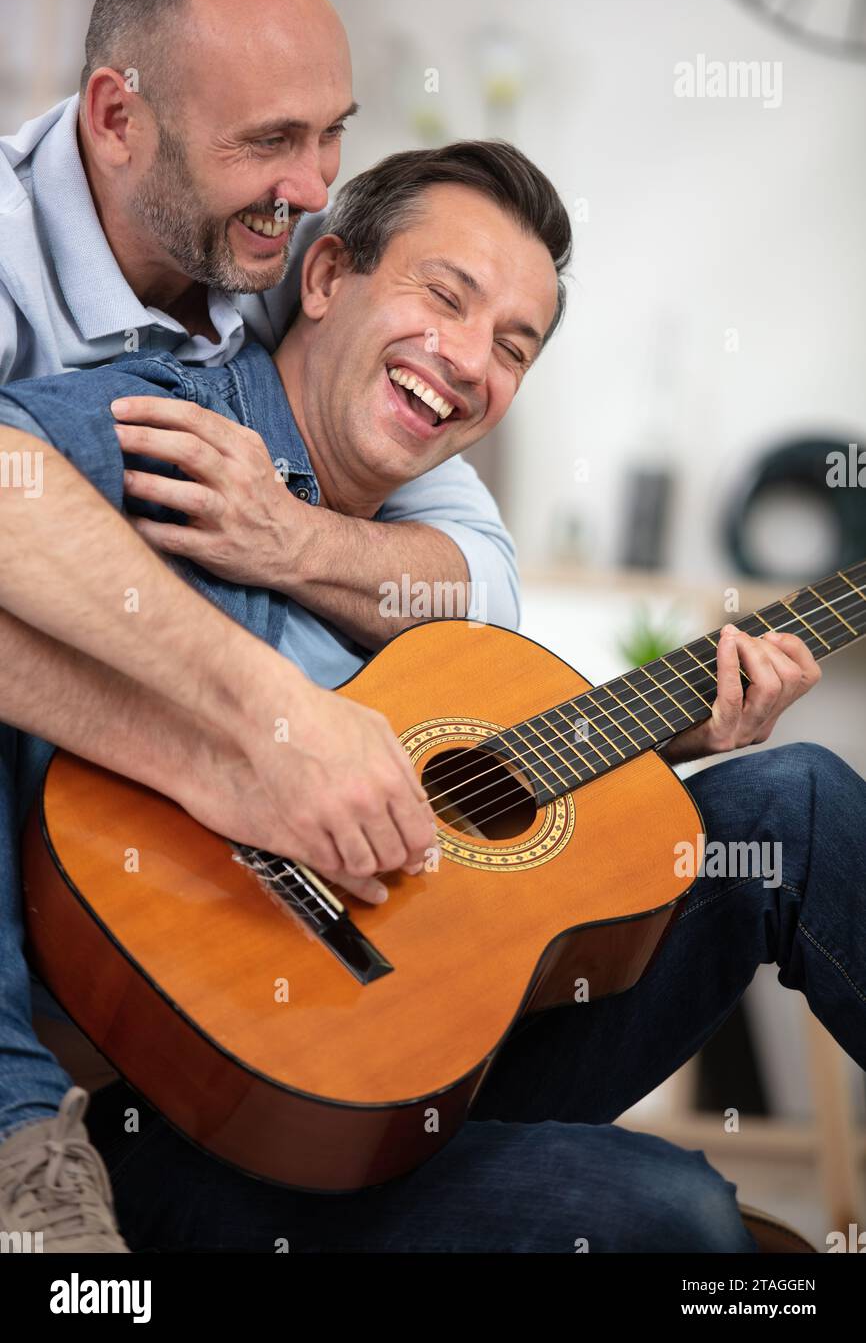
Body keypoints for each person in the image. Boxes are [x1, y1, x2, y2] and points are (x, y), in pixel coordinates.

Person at [2, 139, 862, 1254]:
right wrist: (261, 734)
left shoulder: (444, 538)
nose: (464, 359)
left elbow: (468, 839)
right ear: (323, 279)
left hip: (408, 1056)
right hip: (183, 1112)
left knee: (795, 798)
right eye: (442, 296)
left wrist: (673, 741)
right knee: (680, 1217)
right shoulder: (175, 425)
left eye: (511, 347)